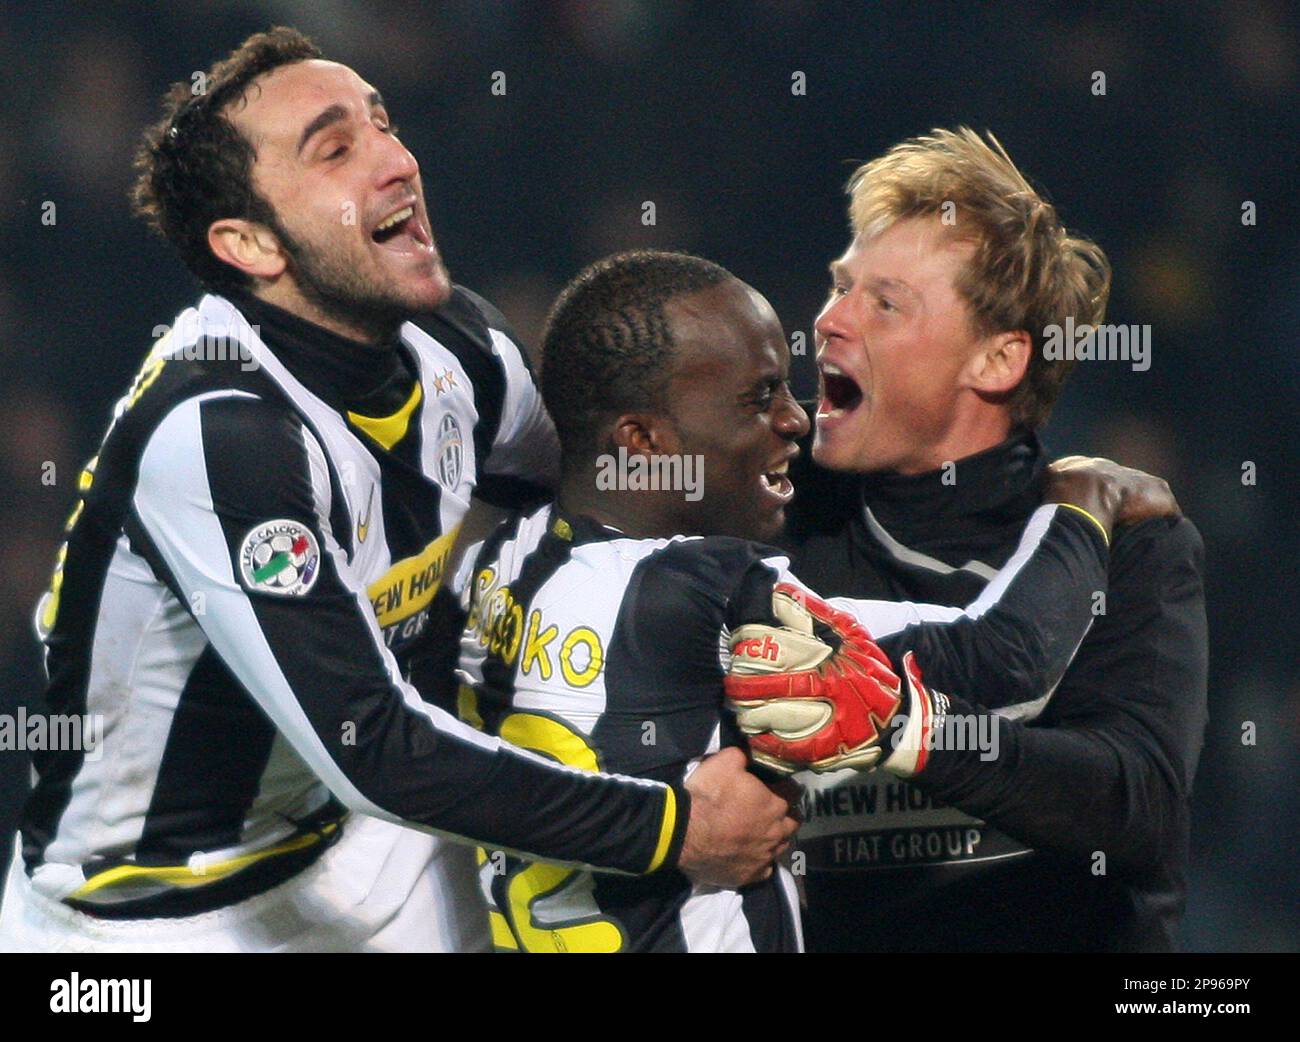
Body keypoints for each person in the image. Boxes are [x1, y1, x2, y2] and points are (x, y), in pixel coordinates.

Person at [0, 28, 797, 954]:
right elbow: (369, 745)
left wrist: (774, 557)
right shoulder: (221, 431)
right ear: (249, 243)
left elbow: (603, 510)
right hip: (147, 919)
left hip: (355, 846)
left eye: (384, 123)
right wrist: (675, 825)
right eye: (336, 148)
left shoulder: (458, 347)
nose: (396, 159)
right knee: (656, 839)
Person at [451, 250, 1177, 952]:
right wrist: (1083, 503)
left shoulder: (488, 569)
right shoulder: (714, 594)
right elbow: (1009, 663)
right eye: (757, 398)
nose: (794, 420)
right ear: (643, 439)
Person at [784, 128, 1208, 952]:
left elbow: (1135, 808)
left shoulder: (1128, 544)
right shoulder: (774, 509)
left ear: (998, 358)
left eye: (885, 303)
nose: (828, 320)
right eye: (840, 287)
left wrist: (910, 731)